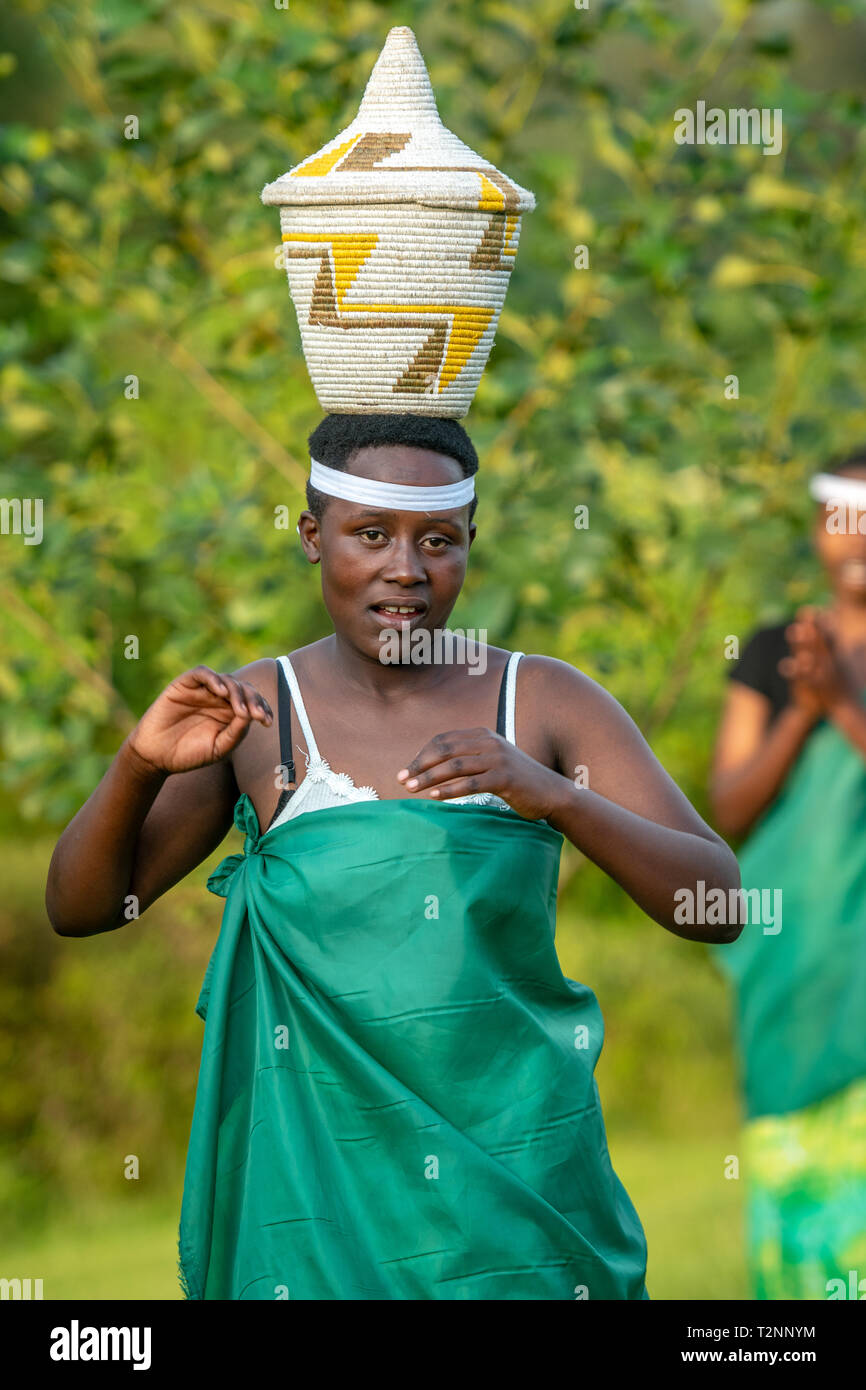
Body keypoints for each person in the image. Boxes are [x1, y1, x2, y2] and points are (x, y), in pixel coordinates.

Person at [46, 410, 741, 1300]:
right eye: (370, 535)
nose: (405, 569)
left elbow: (716, 904)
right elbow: (83, 907)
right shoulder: (258, 715)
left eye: (438, 540)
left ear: (471, 543)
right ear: (312, 536)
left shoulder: (542, 699)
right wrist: (138, 765)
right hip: (317, 1197)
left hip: (515, 1182)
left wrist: (557, 797)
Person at [710, 453, 866, 1300]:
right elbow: (730, 808)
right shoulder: (774, 650)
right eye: (844, 519)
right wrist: (802, 714)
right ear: (818, 531)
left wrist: (844, 703)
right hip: (795, 958)